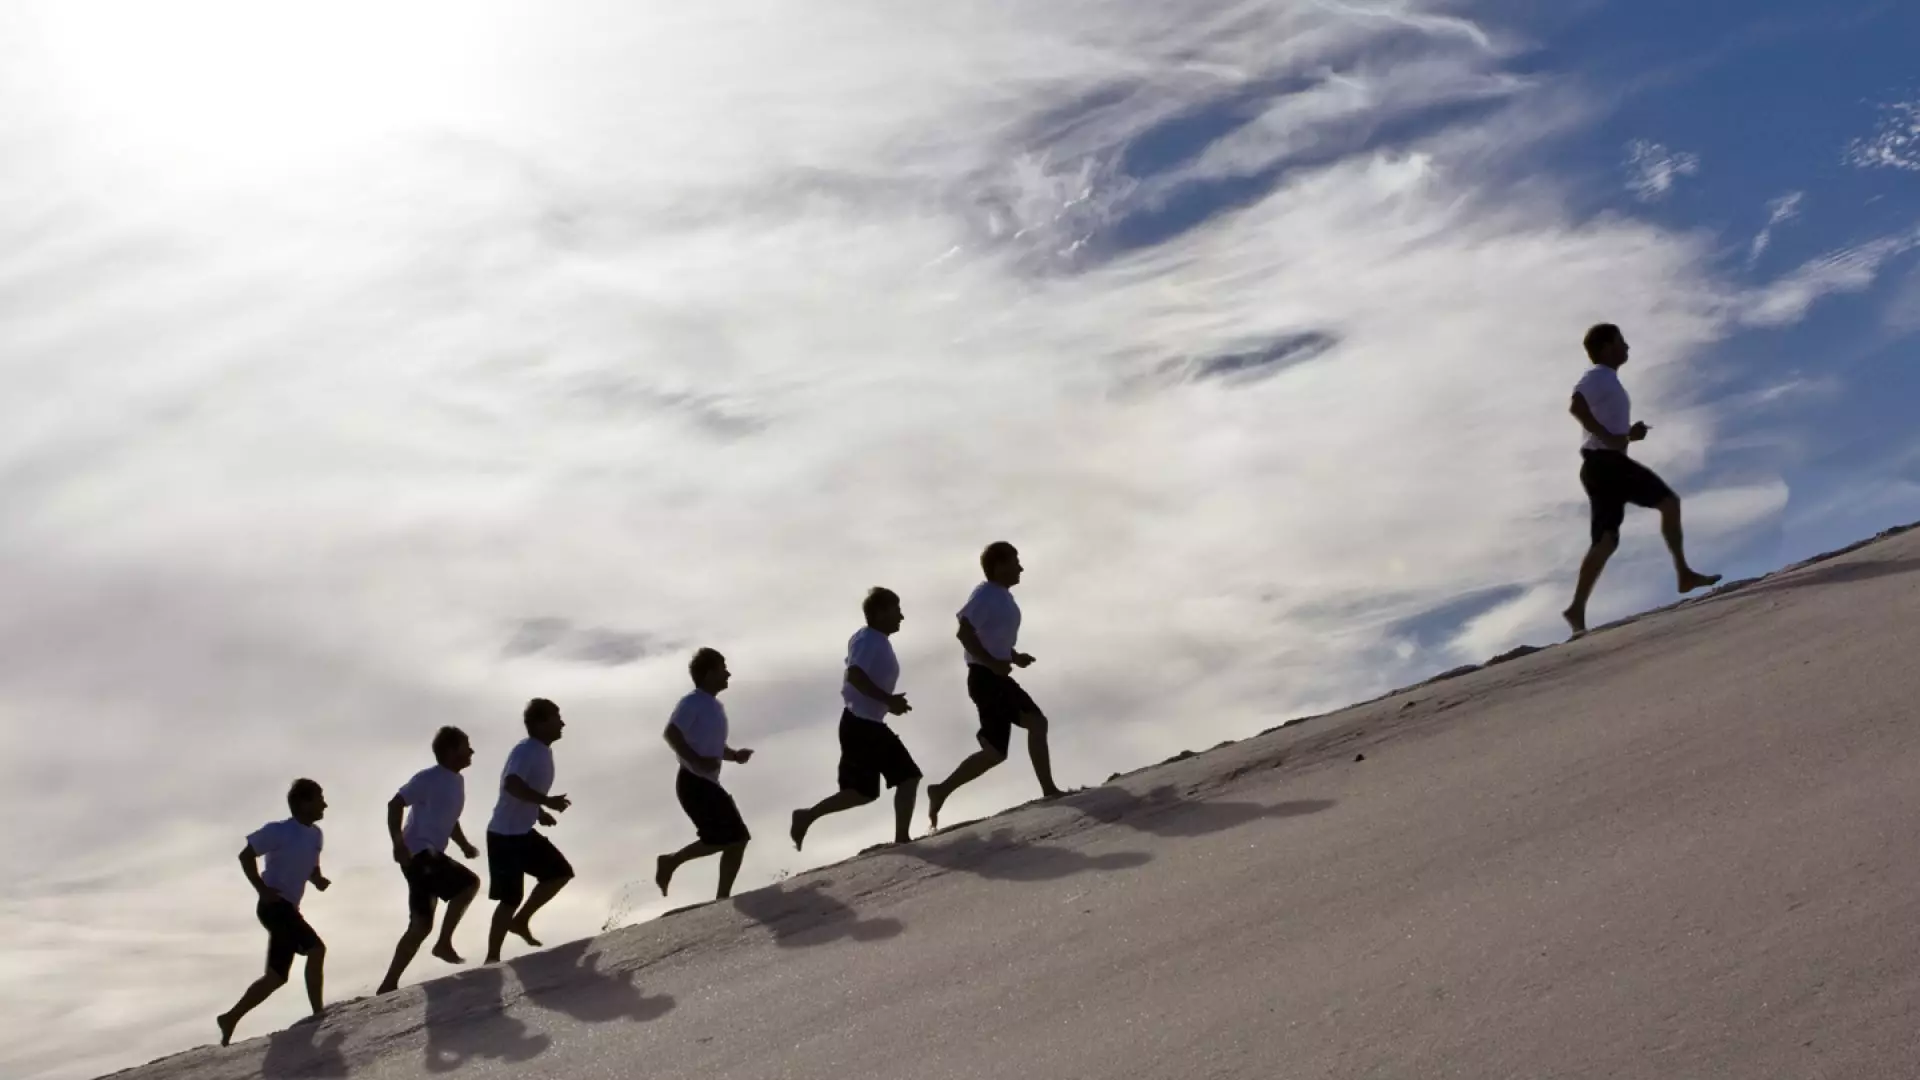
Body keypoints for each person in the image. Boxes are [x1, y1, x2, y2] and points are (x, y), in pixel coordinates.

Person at [1563, 323, 1721, 636]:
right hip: (1605, 464)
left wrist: (1628, 436)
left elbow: (1608, 435)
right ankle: (1684, 574)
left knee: (1606, 541)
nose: (1628, 347)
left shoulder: (1609, 382)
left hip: (1601, 465)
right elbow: (1576, 406)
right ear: (1607, 346)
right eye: (1621, 341)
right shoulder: (1598, 375)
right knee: (1669, 503)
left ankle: (1576, 608)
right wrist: (1610, 436)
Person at [927, 541, 1064, 831]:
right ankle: (1049, 790)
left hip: (993, 677)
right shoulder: (986, 594)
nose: (1021, 568)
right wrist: (992, 662)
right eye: (1015, 562)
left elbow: (992, 636)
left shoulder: (1002, 597)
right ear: (999, 565)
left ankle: (940, 790)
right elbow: (964, 632)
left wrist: (1014, 655)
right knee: (1036, 723)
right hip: (985, 678)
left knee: (996, 753)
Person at [791, 587, 922, 851]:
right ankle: (902, 841)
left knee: (863, 792)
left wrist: (889, 703)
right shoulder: (868, 640)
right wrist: (888, 700)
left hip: (862, 723)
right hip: (861, 725)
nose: (902, 617)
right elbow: (855, 676)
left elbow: (862, 681)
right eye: (896, 611)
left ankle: (807, 815)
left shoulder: (875, 640)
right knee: (907, 776)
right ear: (879, 613)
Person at [216, 779, 331, 1047]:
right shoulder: (278, 831)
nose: (324, 804)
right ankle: (318, 1013)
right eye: (319, 798)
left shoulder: (316, 836)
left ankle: (230, 1017)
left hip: (288, 908)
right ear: (303, 803)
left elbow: (310, 866)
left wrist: (318, 879)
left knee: (276, 976)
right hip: (273, 905)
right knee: (316, 949)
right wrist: (261, 889)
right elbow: (246, 855)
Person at [376, 726, 483, 994]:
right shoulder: (428, 778)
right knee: (469, 884)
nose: (471, 751)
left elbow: (449, 819)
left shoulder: (456, 782)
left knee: (421, 925)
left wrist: (464, 844)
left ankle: (388, 985)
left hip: (426, 855)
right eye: (465, 746)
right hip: (418, 852)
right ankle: (444, 943)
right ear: (449, 751)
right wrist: (398, 843)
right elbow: (395, 804)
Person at [656, 648, 755, 900]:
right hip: (693, 782)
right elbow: (671, 733)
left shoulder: (713, 706)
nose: (728, 673)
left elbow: (711, 746)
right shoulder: (693, 702)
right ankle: (717, 894)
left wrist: (734, 755)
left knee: (730, 839)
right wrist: (697, 760)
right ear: (709, 673)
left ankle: (676, 865)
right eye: (723, 668)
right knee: (734, 838)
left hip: (704, 782)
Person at [483, 699, 574, 964]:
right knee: (510, 898)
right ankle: (491, 959)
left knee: (559, 873)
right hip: (504, 835)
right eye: (556, 718)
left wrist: (538, 812)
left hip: (521, 832)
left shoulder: (541, 751)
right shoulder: (527, 750)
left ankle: (521, 921)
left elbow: (521, 788)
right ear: (539, 723)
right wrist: (546, 802)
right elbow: (511, 784)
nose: (562, 723)